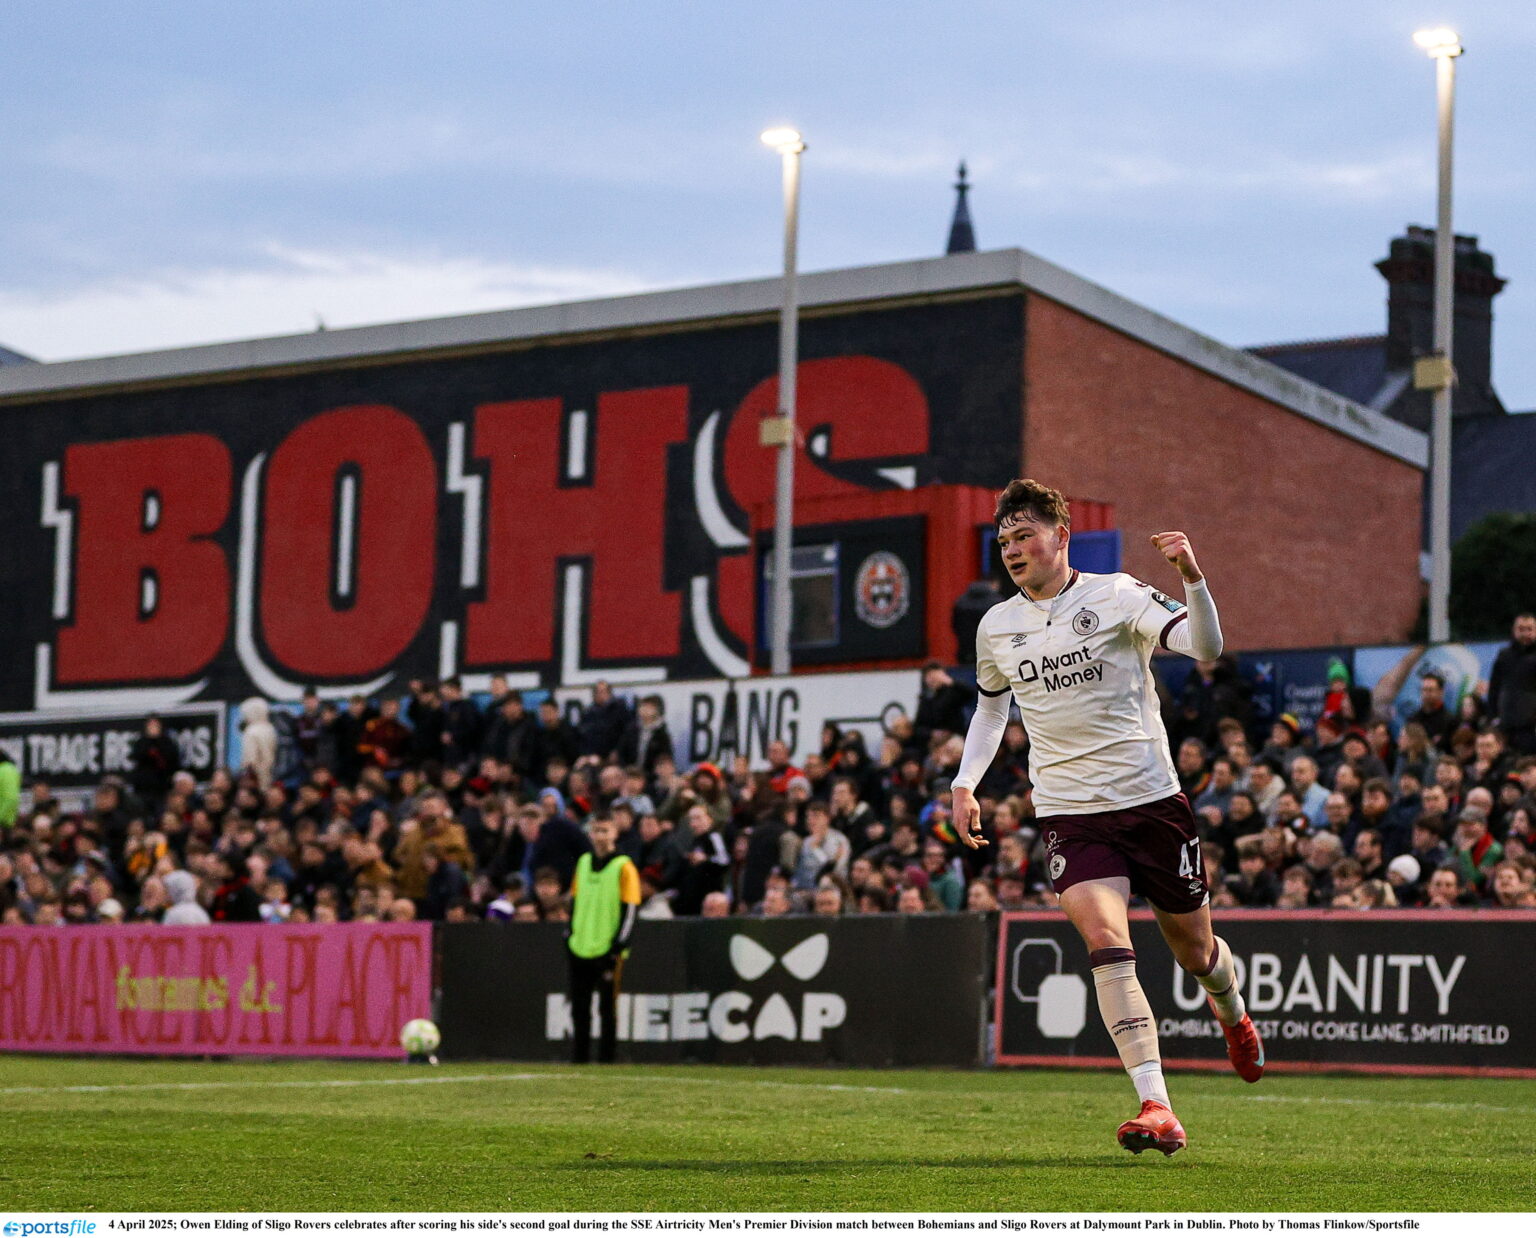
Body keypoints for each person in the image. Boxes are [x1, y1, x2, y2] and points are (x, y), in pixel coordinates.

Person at [952, 479, 1262, 1158]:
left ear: (1061, 537)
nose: (1011, 549)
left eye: (1023, 534)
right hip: (1070, 809)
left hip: (1151, 800)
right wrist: (965, 781)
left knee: (1196, 952)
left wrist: (1193, 579)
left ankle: (1232, 1013)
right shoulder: (997, 625)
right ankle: (1157, 1104)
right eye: (1002, 540)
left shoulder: (1117, 593)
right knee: (1103, 938)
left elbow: (1204, 649)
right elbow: (991, 707)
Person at [566, 817, 640, 1064]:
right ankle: (580, 1057)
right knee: (579, 1006)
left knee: (607, 1007)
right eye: (596, 830)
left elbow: (629, 908)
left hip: (607, 947)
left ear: (615, 834)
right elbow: (576, 900)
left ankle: (607, 1058)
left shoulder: (624, 866)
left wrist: (620, 943)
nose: (599, 836)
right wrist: (570, 932)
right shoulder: (584, 862)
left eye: (605, 830)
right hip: (581, 944)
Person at [1488, 614, 1536, 756]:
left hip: (1529, 728)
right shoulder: (1504, 655)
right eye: (1521, 629)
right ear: (1514, 631)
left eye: (1530, 629)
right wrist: (1493, 717)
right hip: (1504, 725)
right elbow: (1494, 688)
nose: (1525, 633)